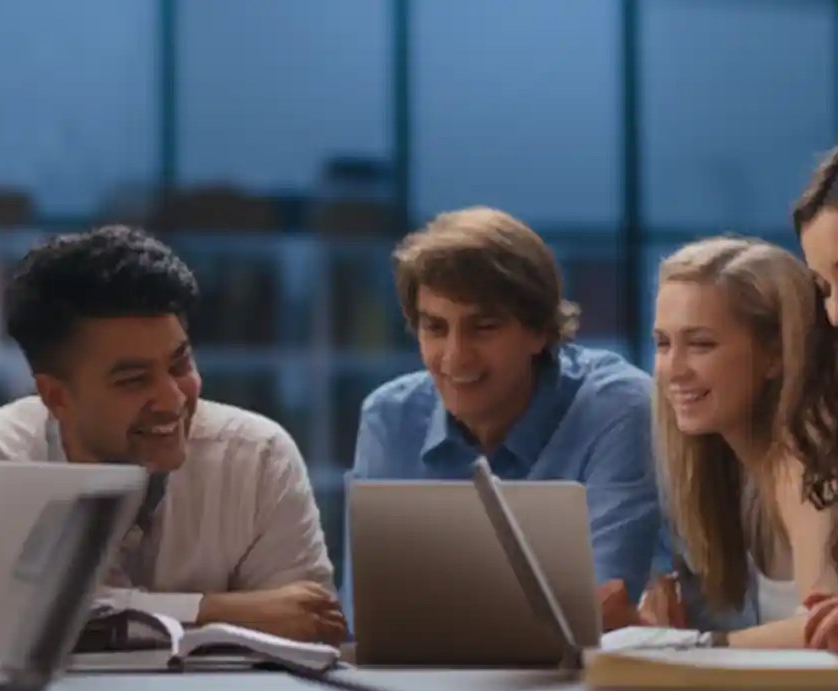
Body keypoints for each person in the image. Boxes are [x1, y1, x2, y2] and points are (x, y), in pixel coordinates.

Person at [0, 225, 345, 646]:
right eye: (133, 380)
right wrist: (211, 611)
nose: (171, 400)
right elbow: (4, 620)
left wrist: (114, 613)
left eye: (180, 364)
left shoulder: (256, 456)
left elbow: (306, 625)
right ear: (56, 397)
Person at [350, 206, 662, 603]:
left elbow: (604, 608)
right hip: (423, 666)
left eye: (484, 328)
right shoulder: (390, 417)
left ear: (539, 332)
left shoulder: (617, 408)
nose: (455, 358)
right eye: (435, 328)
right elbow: (372, 613)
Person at [609, 236, 838, 648]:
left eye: (701, 344)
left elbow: (821, 629)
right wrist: (657, 618)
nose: (672, 370)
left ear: (776, 355)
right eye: (663, 343)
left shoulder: (807, 450)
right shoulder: (721, 467)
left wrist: (688, 647)